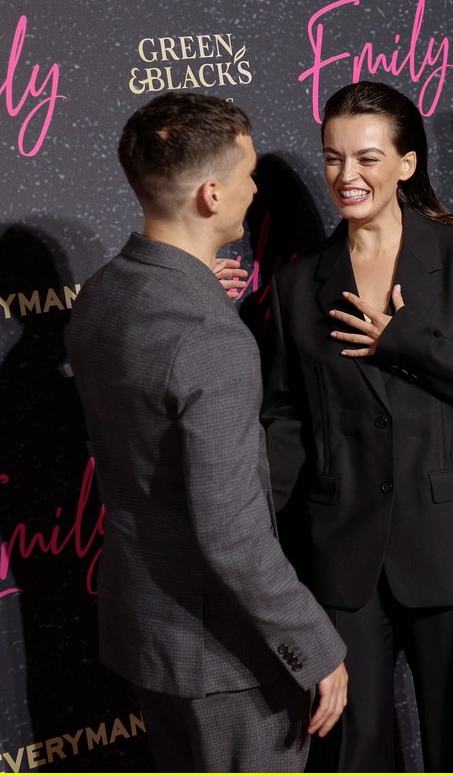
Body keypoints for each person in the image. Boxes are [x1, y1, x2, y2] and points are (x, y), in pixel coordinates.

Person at [261, 80, 453, 772]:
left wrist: (408, 340)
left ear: (407, 164)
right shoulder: (296, 288)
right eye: (332, 158)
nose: (346, 176)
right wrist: (248, 537)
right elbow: (284, 417)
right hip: (342, 554)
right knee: (348, 749)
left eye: (366, 158)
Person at [65, 91, 348, 772]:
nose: (257, 189)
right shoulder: (208, 341)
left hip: (148, 639)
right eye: (249, 175)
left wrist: (194, 293)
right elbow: (231, 534)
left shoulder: (104, 294)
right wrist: (316, 648)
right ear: (212, 194)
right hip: (226, 657)